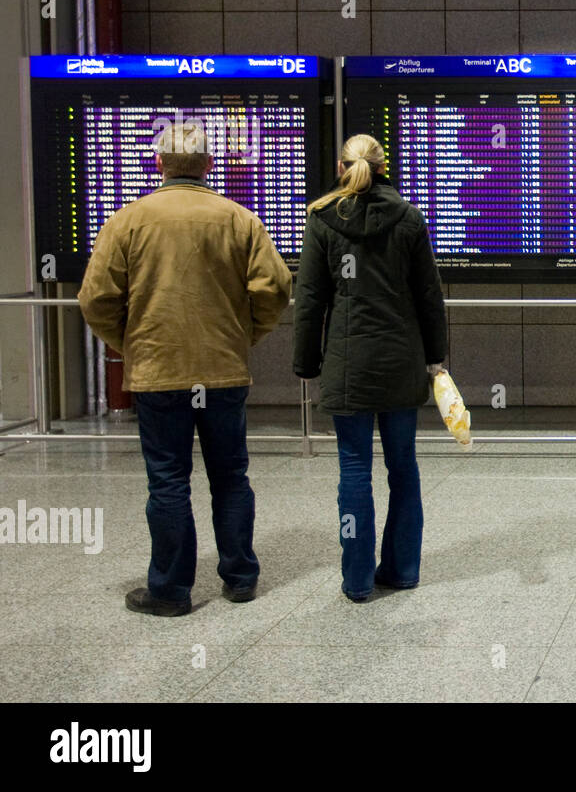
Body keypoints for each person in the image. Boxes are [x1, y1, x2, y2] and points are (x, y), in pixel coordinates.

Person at [78, 120, 292, 617]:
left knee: (169, 480)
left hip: (158, 369)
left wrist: (130, 343)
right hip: (221, 370)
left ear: (159, 165)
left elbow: (95, 299)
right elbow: (274, 289)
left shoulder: (129, 221)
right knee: (231, 476)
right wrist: (243, 337)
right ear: (209, 165)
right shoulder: (239, 219)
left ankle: (172, 591)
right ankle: (240, 578)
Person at [292, 134, 448, 603]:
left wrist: (306, 361)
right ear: (384, 168)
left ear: (342, 168)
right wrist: (435, 359)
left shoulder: (322, 219)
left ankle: (357, 579)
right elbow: (428, 297)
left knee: (354, 469)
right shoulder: (409, 218)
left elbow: (311, 299)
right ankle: (402, 570)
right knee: (404, 468)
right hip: (401, 360)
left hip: (347, 364)